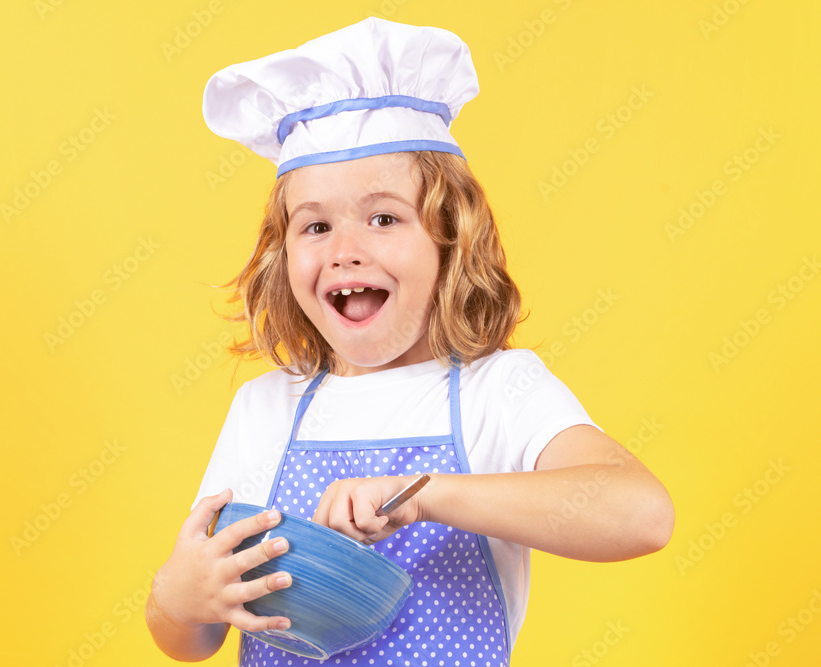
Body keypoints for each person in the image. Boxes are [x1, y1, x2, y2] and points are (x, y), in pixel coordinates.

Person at [146, 17, 674, 666]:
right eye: (315, 227)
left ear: (451, 236)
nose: (344, 251)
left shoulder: (500, 389)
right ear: (284, 256)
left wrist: (426, 494)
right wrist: (177, 597)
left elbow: (642, 514)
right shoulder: (266, 408)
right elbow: (192, 639)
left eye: (384, 217)